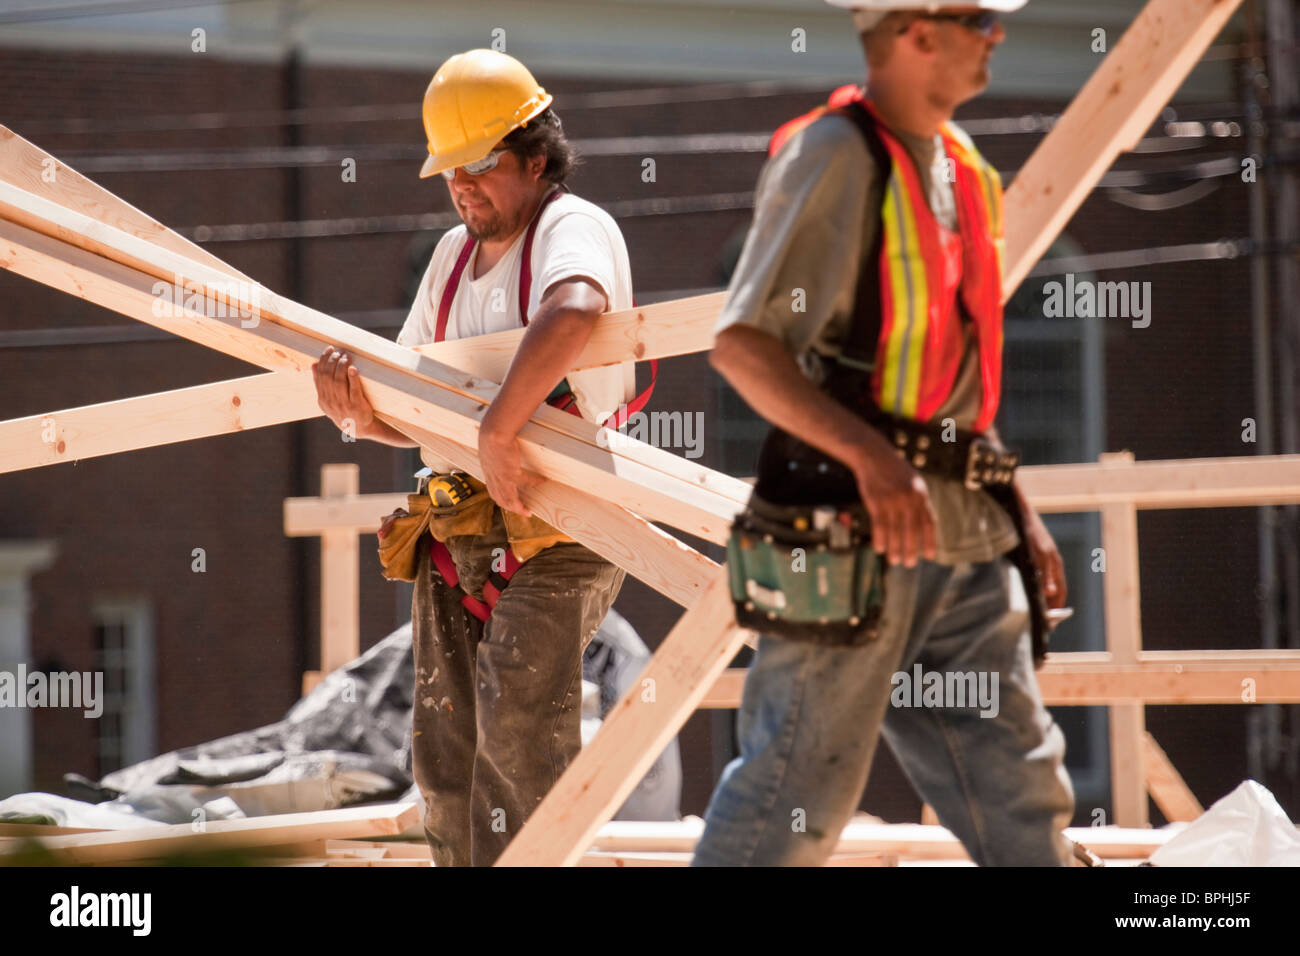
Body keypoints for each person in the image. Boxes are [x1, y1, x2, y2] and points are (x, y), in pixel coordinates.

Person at [694, 1, 1075, 866]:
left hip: (965, 537)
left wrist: (1016, 503)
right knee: (797, 795)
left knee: (1023, 791)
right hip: (854, 534)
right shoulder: (834, 156)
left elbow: (953, 383)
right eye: (981, 17)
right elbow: (746, 349)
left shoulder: (966, 170)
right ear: (917, 33)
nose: (999, 35)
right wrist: (872, 461)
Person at [311, 49, 634, 866]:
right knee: (445, 749)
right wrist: (360, 413)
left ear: (534, 156)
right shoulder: (452, 259)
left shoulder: (572, 226)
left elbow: (574, 308)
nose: (463, 187)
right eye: (451, 172)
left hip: (566, 526)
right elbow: (411, 406)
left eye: (480, 167)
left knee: (516, 717)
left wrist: (497, 430)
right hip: (462, 528)